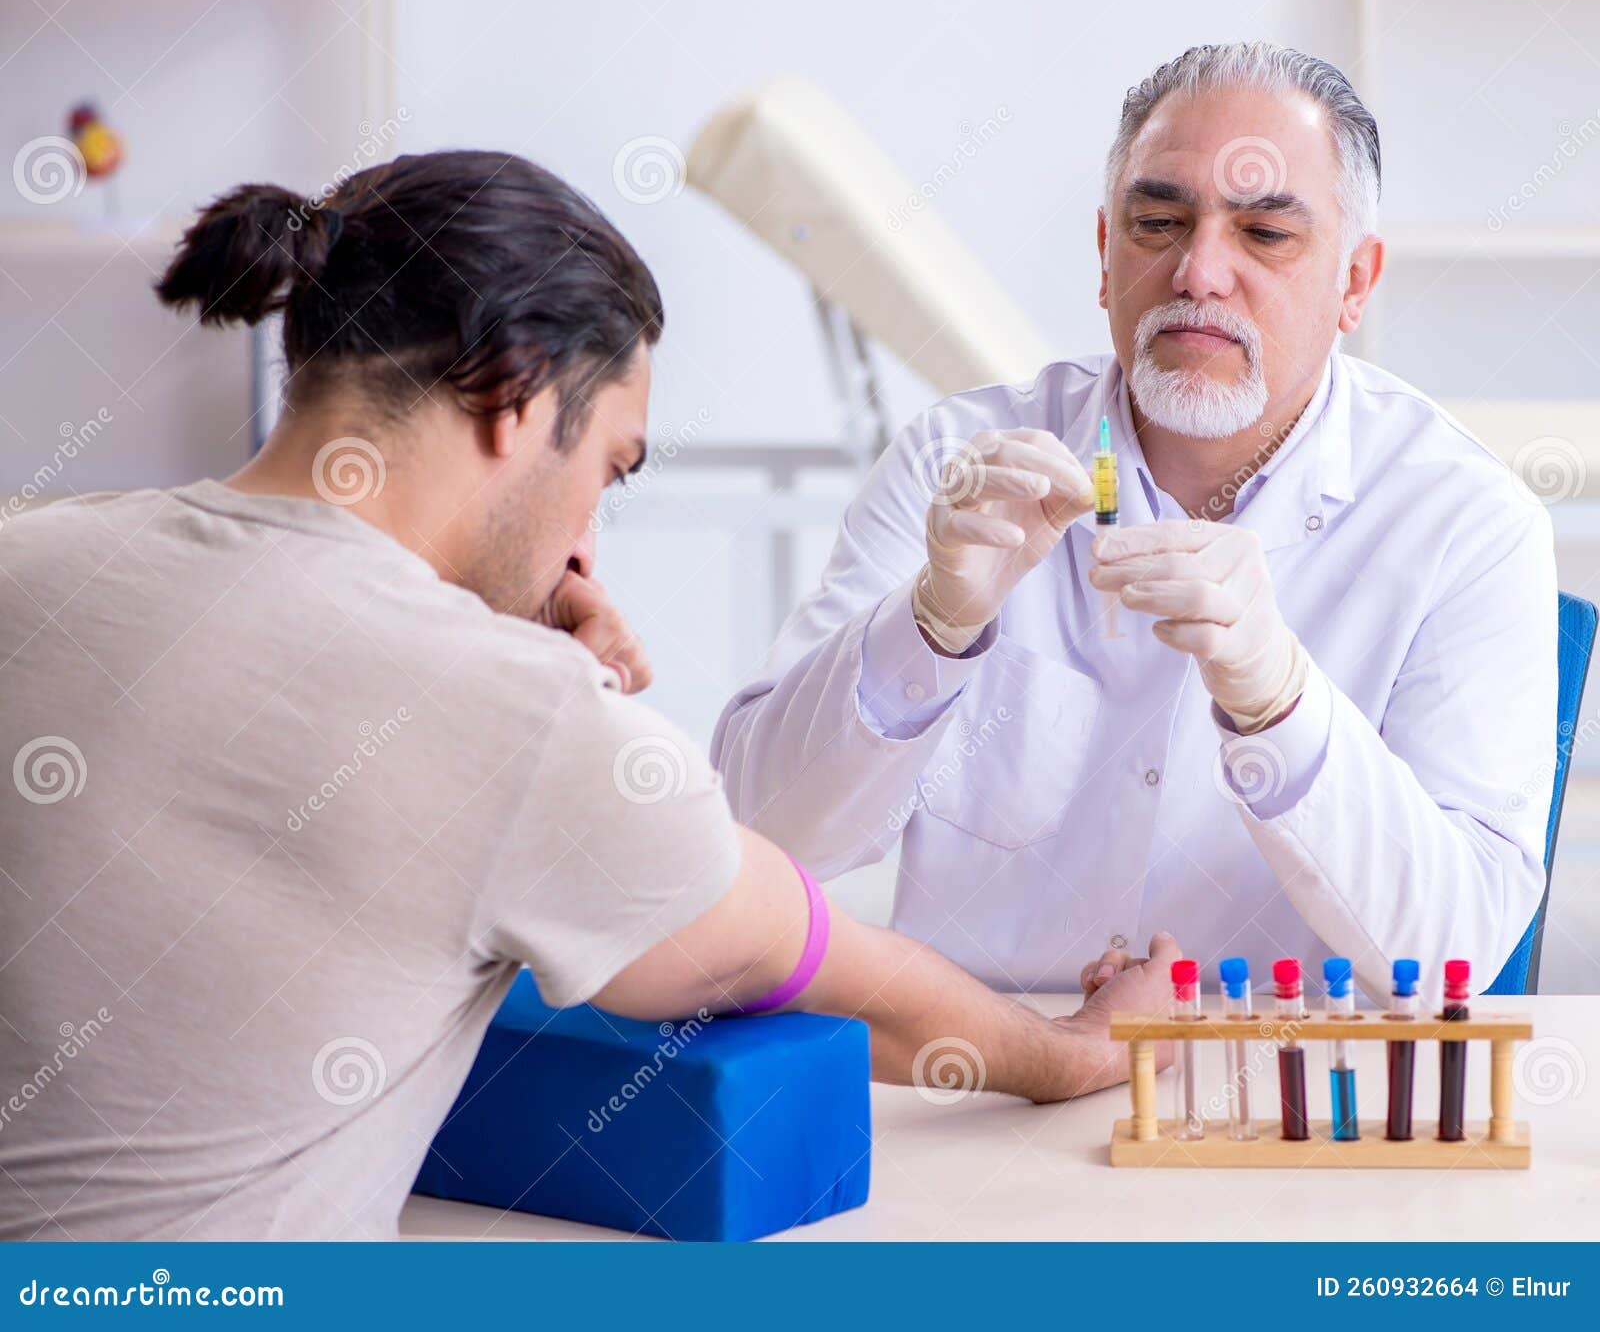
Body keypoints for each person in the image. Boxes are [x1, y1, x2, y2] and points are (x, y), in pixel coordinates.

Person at [0, 151, 1177, 1242]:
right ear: (515, 395)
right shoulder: (516, 714)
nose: (586, 536)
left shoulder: (29, 561)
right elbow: (825, 963)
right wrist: (1080, 1046)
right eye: (609, 467)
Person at [712, 43, 1556, 1007]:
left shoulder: (1466, 524)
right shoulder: (957, 463)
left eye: (1265, 235)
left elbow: (1458, 954)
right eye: (1160, 222)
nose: (1199, 272)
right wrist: (928, 631)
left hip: (1289, 1105)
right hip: (981, 1086)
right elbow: (760, 837)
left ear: (1355, 283)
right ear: (1108, 255)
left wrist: (1280, 703)